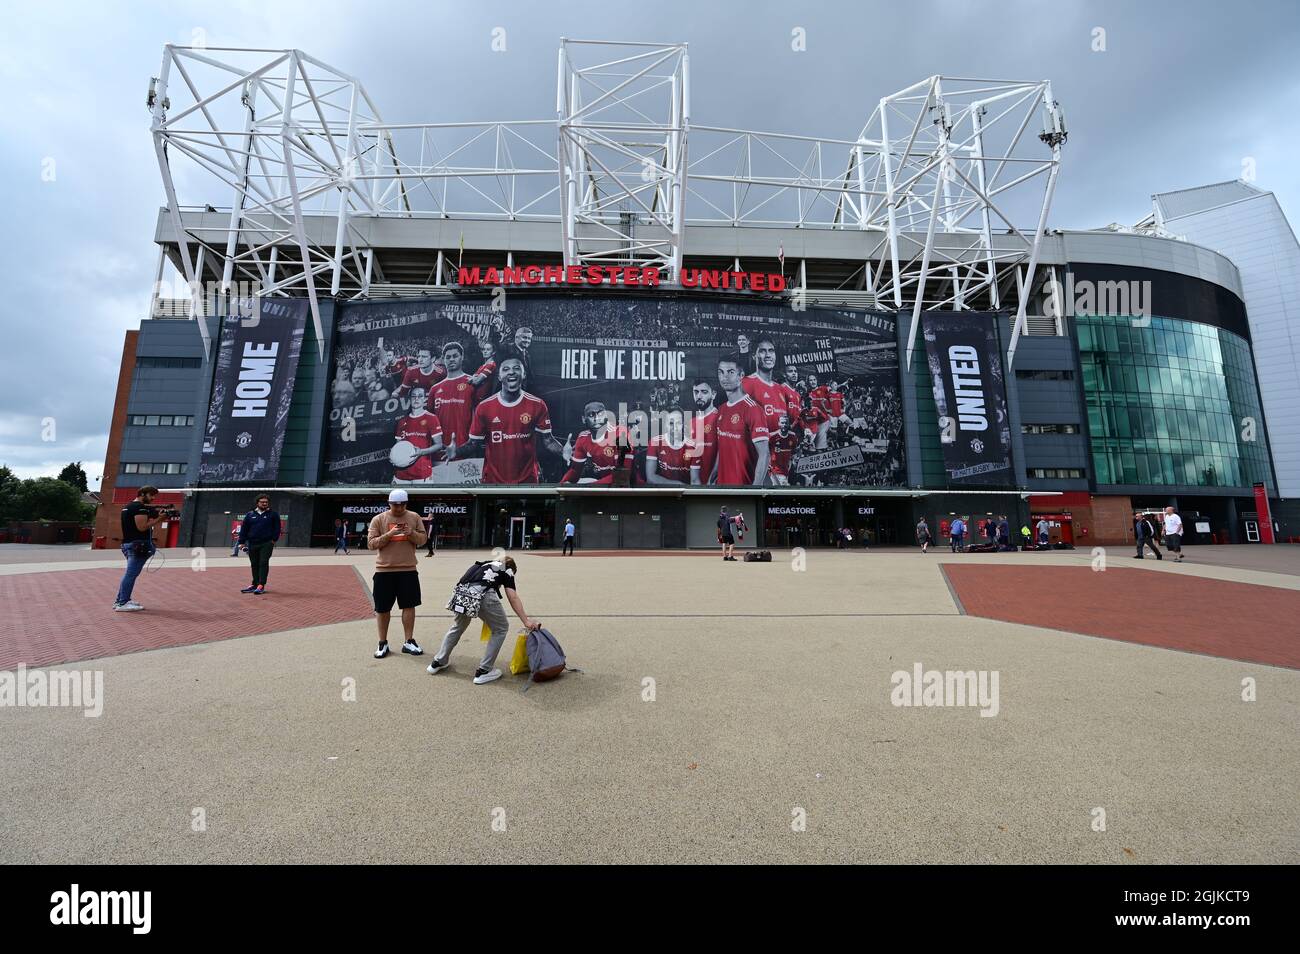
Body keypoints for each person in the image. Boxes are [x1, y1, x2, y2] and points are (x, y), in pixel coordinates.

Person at [427, 556, 542, 685]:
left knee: (458, 626)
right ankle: (484, 671)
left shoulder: (481, 564)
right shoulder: (507, 569)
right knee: (501, 629)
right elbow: (512, 597)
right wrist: (526, 621)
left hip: (461, 594)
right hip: (483, 594)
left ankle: (438, 662)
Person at [367, 489, 427, 659]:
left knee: (409, 605)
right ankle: (382, 642)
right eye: (395, 505)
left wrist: (411, 534)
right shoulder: (378, 519)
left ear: (406, 504)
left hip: (408, 570)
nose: (399, 508)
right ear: (389, 503)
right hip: (384, 570)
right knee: (382, 608)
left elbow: (423, 540)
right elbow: (371, 544)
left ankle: (409, 641)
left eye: (402, 504)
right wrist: (389, 534)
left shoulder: (414, 517)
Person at [710, 356, 770, 486]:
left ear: (741, 375)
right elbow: (723, 448)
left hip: (744, 489)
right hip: (722, 487)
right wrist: (712, 476)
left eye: (730, 372)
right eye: (721, 372)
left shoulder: (752, 409)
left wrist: (755, 490)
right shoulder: (721, 409)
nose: (725, 377)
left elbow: (764, 455)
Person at [114, 485, 167, 611]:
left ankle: (120, 600)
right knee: (131, 574)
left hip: (129, 544)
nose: (153, 498)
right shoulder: (139, 508)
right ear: (143, 494)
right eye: (151, 495)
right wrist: (160, 519)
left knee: (130, 574)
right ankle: (123, 603)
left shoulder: (128, 507)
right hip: (137, 546)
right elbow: (142, 527)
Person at [238, 495, 281, 594]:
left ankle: (261, 585)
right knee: (254, 564)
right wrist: (241, 542)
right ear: (257, 503)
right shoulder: (250, 515)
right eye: (262, 502)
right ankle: (254, 584)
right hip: (252, 543)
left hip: (267, 543)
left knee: (263, 562)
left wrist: (273, 540)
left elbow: (277, 528)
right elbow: (244, 529)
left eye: (266, 502)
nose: (264, 503)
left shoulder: (273, 514)